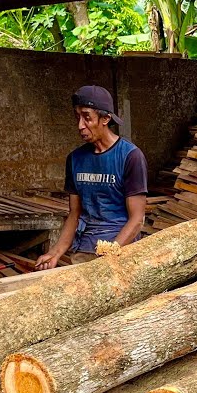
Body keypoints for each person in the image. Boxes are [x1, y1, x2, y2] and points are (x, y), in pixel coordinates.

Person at [36, 86, 147, 269]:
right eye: (77, 117)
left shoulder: (130, 157)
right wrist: (54, 253)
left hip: (122, 250)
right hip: (85, 247)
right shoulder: (75, 159)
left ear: (105, 118)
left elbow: (137, 220)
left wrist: (111, 253)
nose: (80, 125)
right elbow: (75, 213)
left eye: (87, 117)